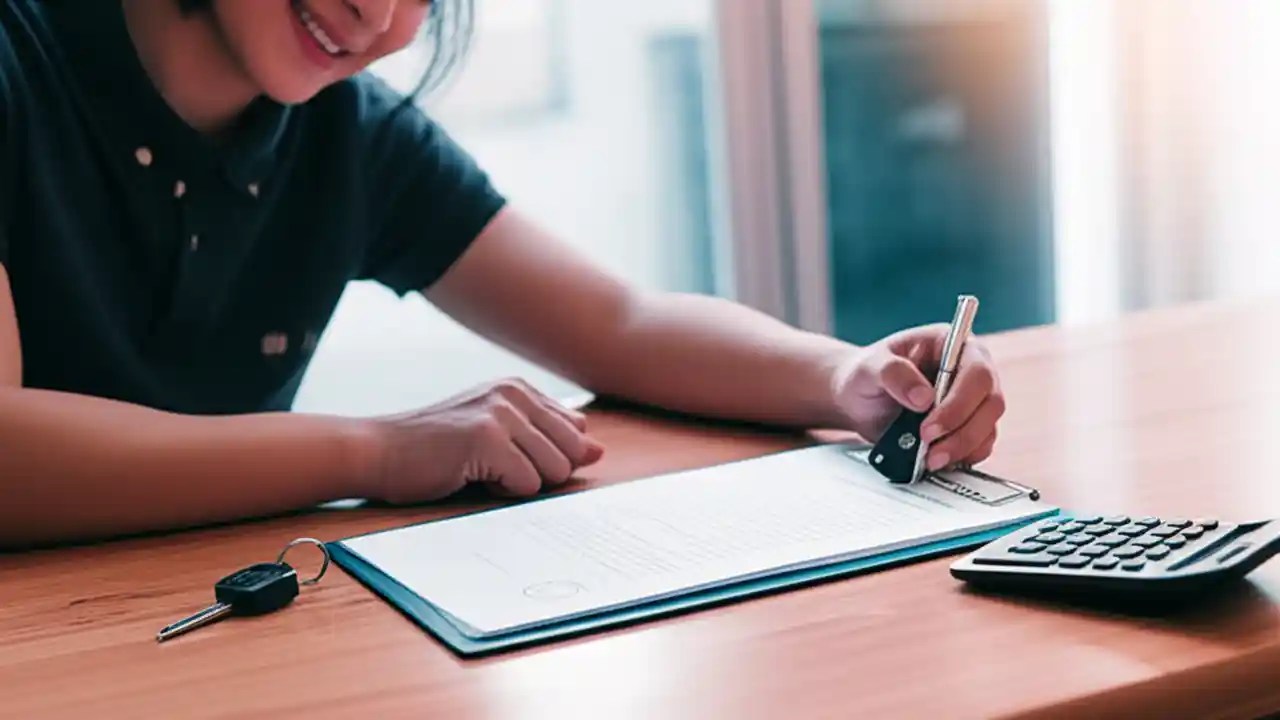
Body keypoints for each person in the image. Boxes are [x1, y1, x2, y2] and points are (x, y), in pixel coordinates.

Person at [0, 0, 1006, 549]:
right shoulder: (17, 61)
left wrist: (841, 379)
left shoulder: (350, 137)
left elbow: (619, 322)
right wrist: (379, 452)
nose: (379, 16)